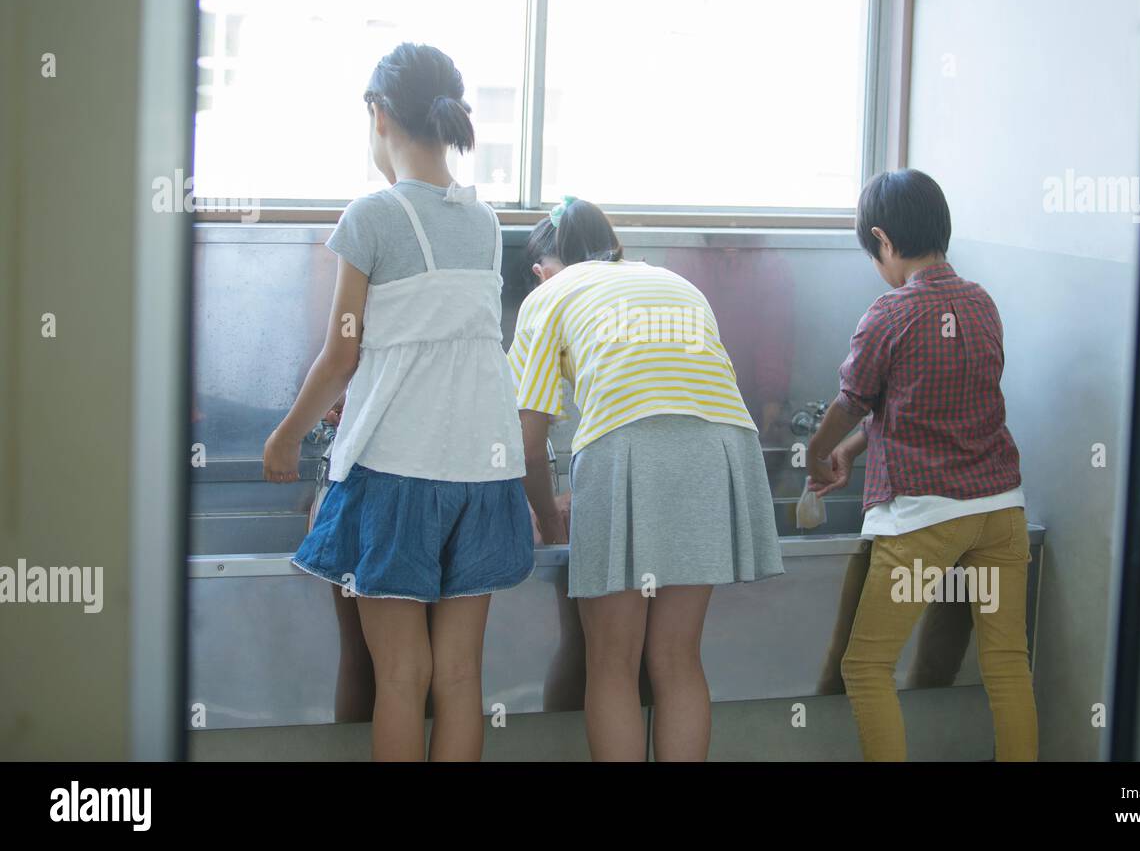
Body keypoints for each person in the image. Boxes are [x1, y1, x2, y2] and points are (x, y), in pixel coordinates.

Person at [262, 42, 533, 762]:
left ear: (379, 115)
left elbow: (341, 353)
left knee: (402, 678)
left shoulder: (371, 216)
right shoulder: (484, 223)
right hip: (483, 475)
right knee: (460, 678)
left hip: (396, 474)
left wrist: (286, 435)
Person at [510, 197, 784, 761]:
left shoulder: (547, 296)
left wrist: (546, 518)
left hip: (628, 443)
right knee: (678, 658)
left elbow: (527, 447)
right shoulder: (673, 281)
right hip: (722, 445)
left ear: (541, 270)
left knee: (611, 663)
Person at [808, 168, 1038, 761]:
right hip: (1001, 513)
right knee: (1008, 666)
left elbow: (854, 401)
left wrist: (817, 450)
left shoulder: (889, 313)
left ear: (883, 240)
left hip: (925, 520)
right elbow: (923, 402)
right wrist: (853, 450)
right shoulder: (983, 304)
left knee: (865, 667)